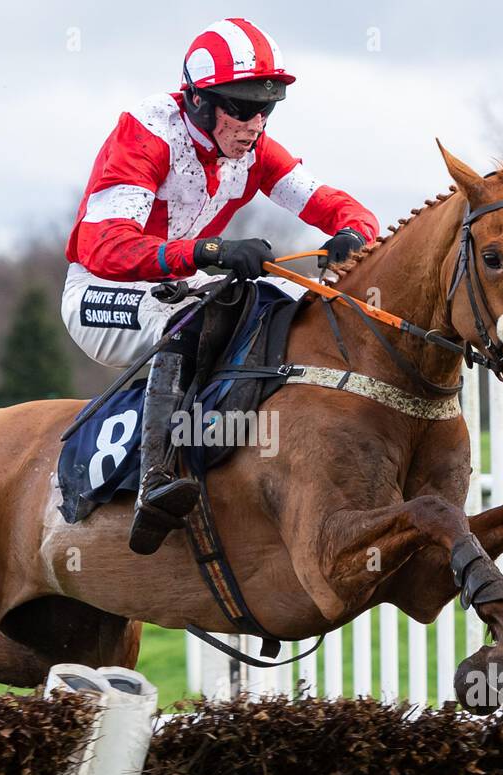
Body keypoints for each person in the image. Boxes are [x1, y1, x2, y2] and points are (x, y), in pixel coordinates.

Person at [61, 17, 379, 554]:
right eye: (241, 106)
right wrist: (209, 252)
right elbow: (106, 249)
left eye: (267, 107)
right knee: (187, 316)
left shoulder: (254, 148)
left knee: (282, 305)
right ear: (200, 101)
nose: (255, 123)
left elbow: (338, 205)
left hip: (178, 285)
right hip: (98, 292)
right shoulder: (148, 134)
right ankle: (154, 481)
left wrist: (353, 234)